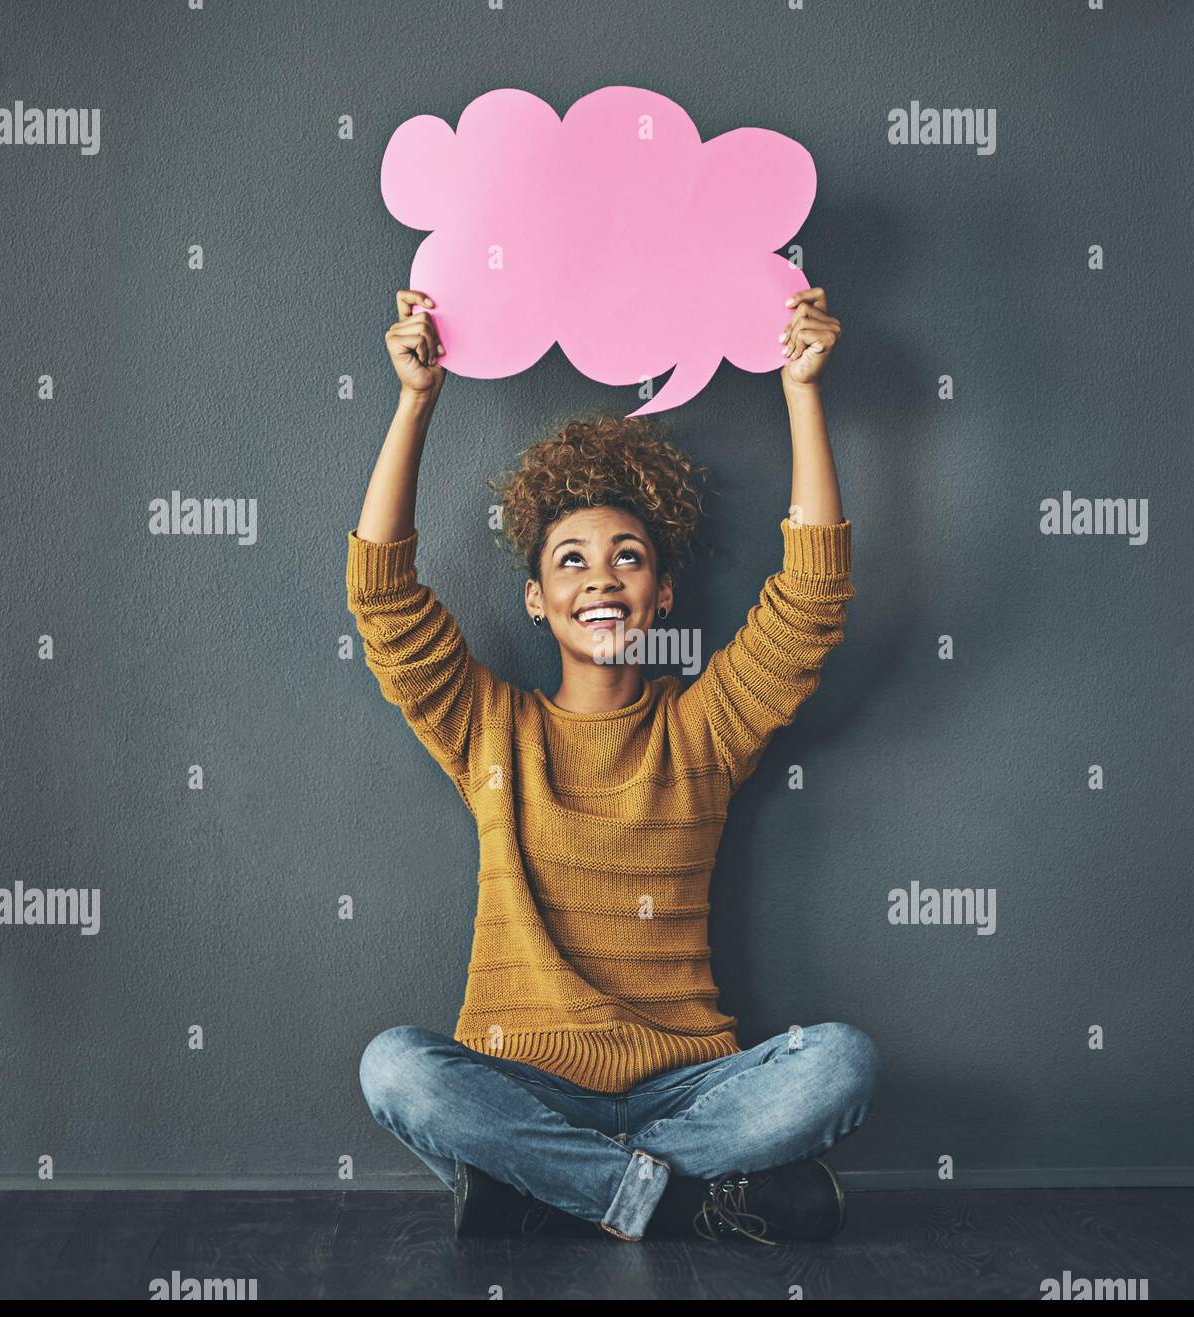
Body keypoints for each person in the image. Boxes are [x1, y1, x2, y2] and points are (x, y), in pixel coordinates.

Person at [350, 286, 881, 1244]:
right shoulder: (488, 730)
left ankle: (558, 1193)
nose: (600, 577)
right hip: (520, 1085)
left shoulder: (704, 732)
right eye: (571, 562)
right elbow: (384, 603)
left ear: (661, 591)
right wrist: (414, 401)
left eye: (627, 557)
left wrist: (803, 391)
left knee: (841, 1060)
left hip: (688, 1089)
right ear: (537, 601)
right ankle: (676, 1199)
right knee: (395, 1065)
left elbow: (811, 601)